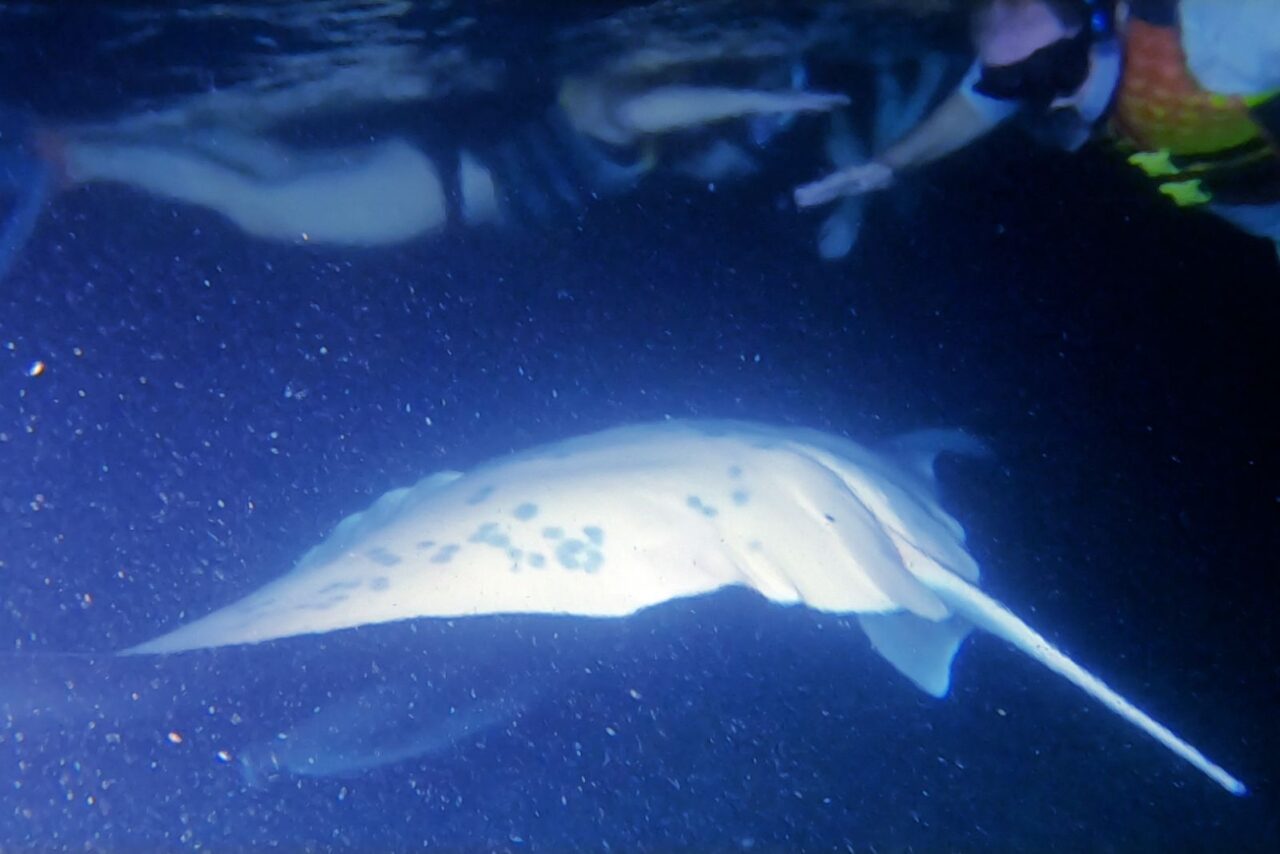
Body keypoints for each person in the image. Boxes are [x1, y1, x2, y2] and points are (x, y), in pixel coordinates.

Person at [794, 0, 1280, 255]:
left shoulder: (1215, 28)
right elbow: (981, 99)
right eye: (1021, 87)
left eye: (1058, 73)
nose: (1058, 99)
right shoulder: (1035, 54)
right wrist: (886, 164)